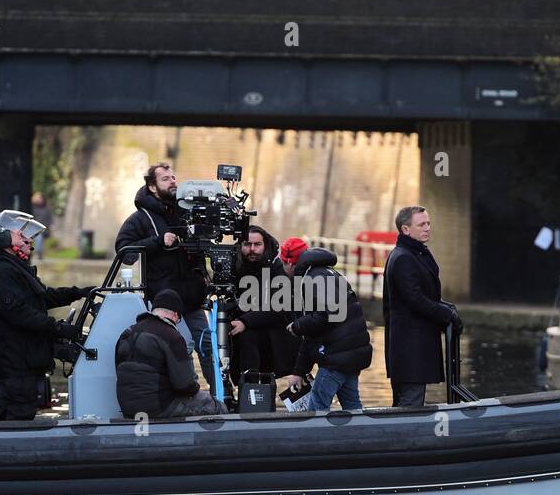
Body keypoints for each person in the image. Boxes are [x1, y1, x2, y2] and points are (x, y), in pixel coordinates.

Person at [0, 210, 93, 421]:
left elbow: (42, 297)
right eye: (20, 235)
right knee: (21, 408)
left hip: (19, 354)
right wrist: (57, 328)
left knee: (20, 406)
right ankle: (4, 448)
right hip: (11, 357)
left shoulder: (10, 268)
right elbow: (18, 313)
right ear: (1, 238)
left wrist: (79, 292)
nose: (27, 239)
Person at [114, 162, 215, 385]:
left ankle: (220, 397)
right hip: (164, 299)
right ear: (152, 186)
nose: (173, 182)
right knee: (180, 346)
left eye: (173, 177)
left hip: (192, 299)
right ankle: (189, 395)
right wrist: (158, 241)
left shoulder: (187, 212)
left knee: (208, 345)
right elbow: (124, 250)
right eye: (165, 179)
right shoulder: (140, 218)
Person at [280, 237, 373, 412]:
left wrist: (297, 326)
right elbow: (314, 332)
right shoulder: (326, 273)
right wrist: (299, 371)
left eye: (283, 264)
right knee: (353, 408)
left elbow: (326, 315)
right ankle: (363, 436)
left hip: (335, 358)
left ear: (290, 263)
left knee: (316, 410)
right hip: (351, 354)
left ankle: (311, 439)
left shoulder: (312, 279)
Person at [383, 205, 460, 408]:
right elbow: (414, 299)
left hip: (414, 345)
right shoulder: (403, 258)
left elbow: (426, 295)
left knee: (408, 401)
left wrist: (447, 308)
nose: (427, 228)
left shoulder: (415, 253)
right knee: (410, 403)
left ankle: (399, 436)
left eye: (428, 223)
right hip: (410, 347)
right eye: (421, 224)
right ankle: (403, 438)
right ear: (405, 229)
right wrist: (446, 314)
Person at [115, 288, 227, 419]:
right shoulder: (171, 336)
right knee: (214, 404)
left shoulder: (127, 333)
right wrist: (197, 389)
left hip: (127, 408)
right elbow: (184, 385)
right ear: (175, 315)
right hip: (158, 408)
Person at [227, 225, 300, 383]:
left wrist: (245, 321)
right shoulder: (233, 264)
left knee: (249, 336)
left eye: (257, 244)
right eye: (247, 244)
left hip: (274, 332)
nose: (252, 249)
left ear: (265, 245)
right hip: (241, 327)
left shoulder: (276, 267)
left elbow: (279, 308)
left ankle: (253, 391)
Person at [29, 192, 54, 260]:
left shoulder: (46, 208)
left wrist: (50, 227)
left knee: (39, 239)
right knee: (38, 239)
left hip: (43, 228)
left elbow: (50, 219)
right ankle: (37, 252)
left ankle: (38, 252)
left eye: (40, 198)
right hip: (33, 228)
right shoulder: (32, 208)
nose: (39, 200)